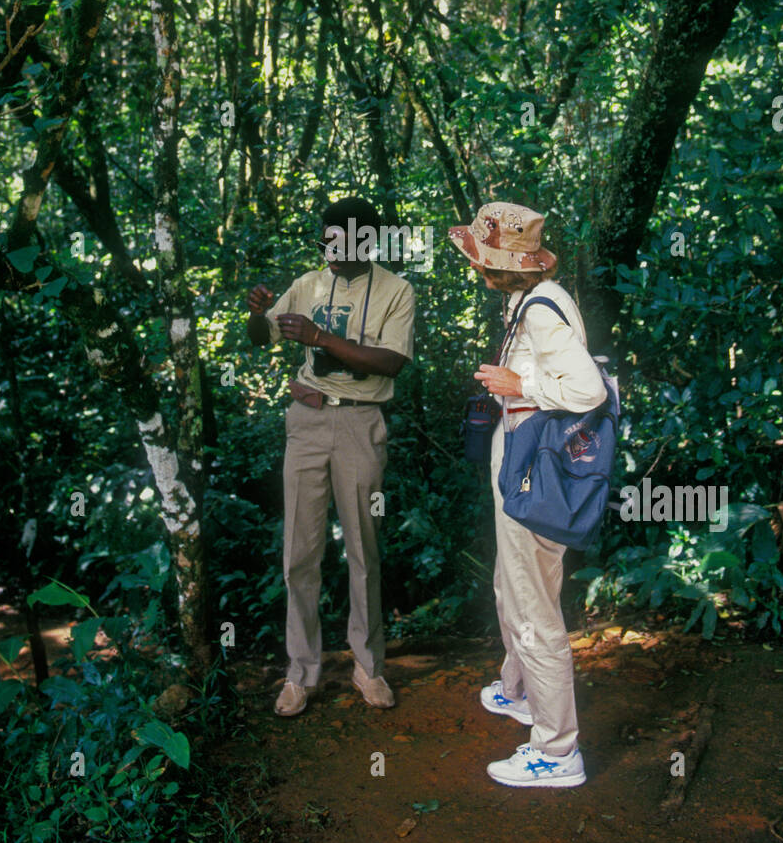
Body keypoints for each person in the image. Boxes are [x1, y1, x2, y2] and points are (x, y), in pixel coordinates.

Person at [448, 201, 606, 788]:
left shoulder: (541, 311)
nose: (474, 267)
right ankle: (518, 691)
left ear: (497, 266)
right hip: (519, 456)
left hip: (532, 467)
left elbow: (586, 391)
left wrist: (521, 384)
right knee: (512, 585)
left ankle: (558, 751)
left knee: (535, 608)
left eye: (479, 259)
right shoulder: (528, 299)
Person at [247, 197, 415, 717]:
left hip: (362, 423)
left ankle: (369, 667)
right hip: (308, 420)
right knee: (299, 550)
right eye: (328, 243)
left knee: (363, 548)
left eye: (344, 245)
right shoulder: (308, 284)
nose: (333, 253)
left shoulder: (396, 289)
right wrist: (255, 316)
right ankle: (301, 673)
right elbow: (262, 338)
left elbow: (391, 362)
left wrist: (322, 337)